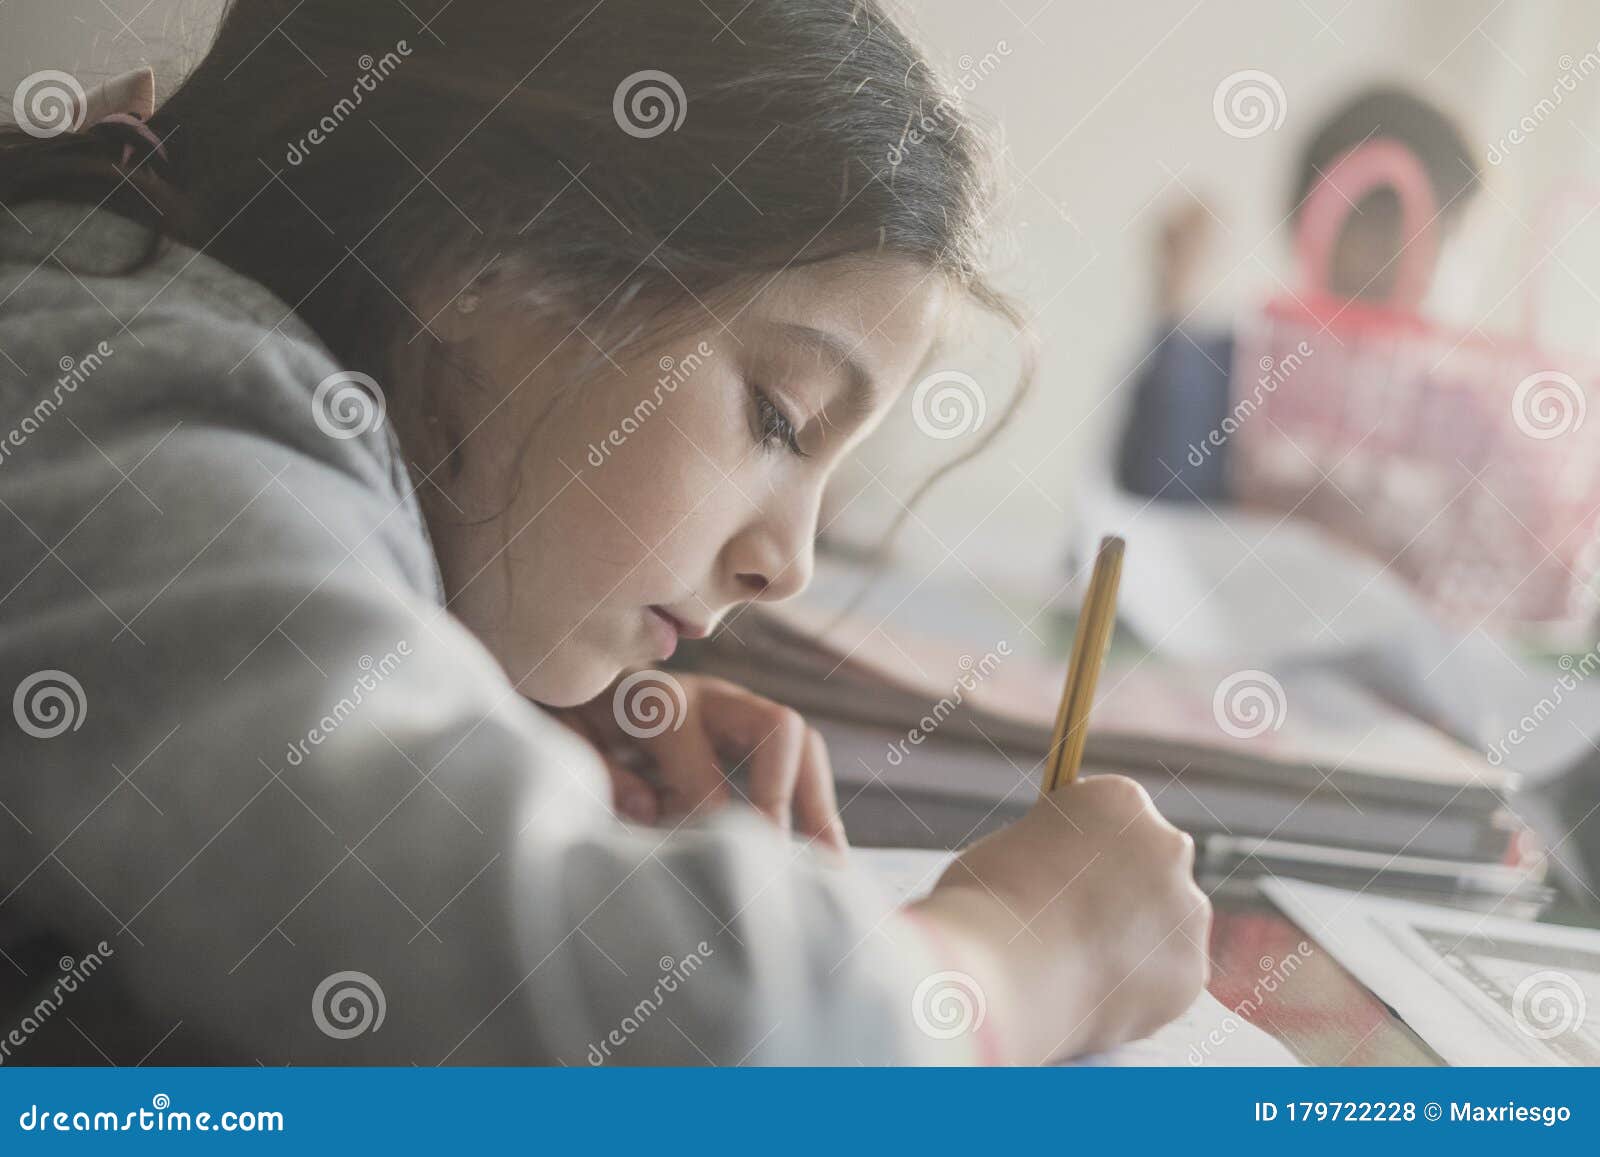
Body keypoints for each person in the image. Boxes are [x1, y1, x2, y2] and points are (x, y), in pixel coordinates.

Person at [0, 0, 1207, 1065]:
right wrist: (1015, 961)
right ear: (483, 255)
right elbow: (651, 1031)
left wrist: (469, 714)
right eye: (777, 416)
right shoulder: (147, 411)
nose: (782, 563)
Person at [1115, 85, 1480, 502]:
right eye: (1380, 225)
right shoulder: (1222, 369)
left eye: (1442, 234)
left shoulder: (1448, 413)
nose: (1414, 260)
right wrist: (1172, 303)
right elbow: (1154, 490)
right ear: (1310, 216)